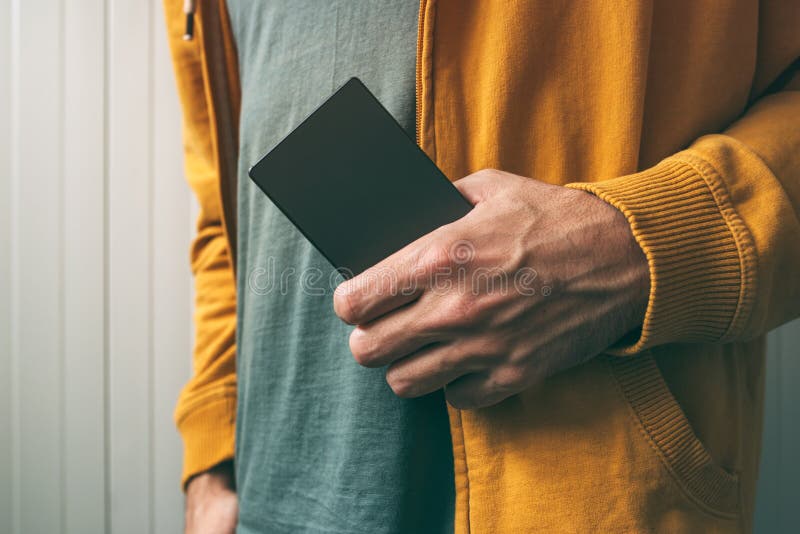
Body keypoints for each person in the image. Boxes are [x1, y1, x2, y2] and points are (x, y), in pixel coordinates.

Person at [163, 1, 800, 532]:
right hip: (268, 499)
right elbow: (228, 219)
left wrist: (640, 243)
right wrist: (212, 461)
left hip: (580, 488)